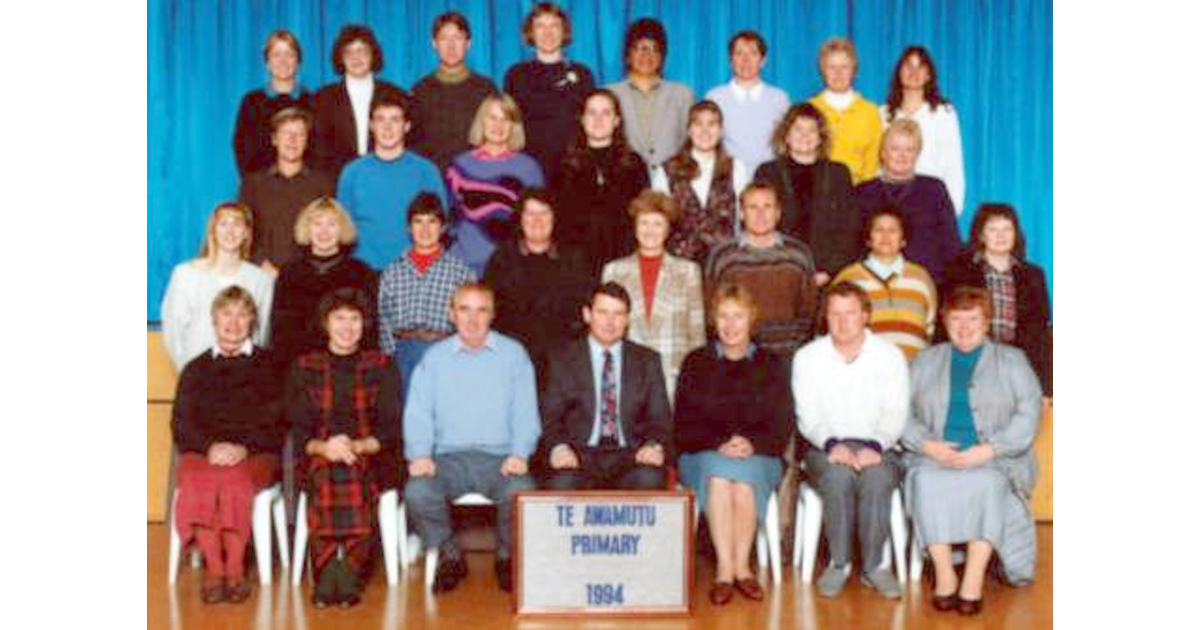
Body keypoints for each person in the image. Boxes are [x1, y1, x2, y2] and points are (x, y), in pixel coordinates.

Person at [901, 287, 1042, 615]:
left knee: (988, 484)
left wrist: (991, 449)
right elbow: (900, 414)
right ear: (944, 322)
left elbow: (1029, 413)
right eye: (956, 320)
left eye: (973, 320)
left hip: (993, 459)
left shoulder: (1013, 360)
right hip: (935, 456)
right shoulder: (924, 360)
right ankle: (946, 574)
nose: (965, 328)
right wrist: (927, 444)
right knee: (924, 481)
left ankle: (974, 577)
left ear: (987, 322)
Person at [404, 284, 541, 594]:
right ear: (452, 314)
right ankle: (449, 554)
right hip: (446, 459)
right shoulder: (434, 358)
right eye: (464, 309)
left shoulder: (514, 355)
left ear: (492, 315)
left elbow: (526, 412)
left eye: (481, 310)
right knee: (418, 492)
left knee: (522, 491)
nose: (472, 318)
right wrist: (420, 454)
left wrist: (520, 453)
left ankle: (506, 557)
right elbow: (418, 413)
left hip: (500, 459)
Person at [673, 284, 793, 605]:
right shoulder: (695, 362)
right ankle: (725, 570)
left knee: (741, 481)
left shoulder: (771, 364)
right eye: (723, 316)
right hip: (702, 453)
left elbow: (782, 422)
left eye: (738, 316)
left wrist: (752, 444)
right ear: (714, 320)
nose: (730, 324)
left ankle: (742, 567)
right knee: (718, 473)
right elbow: (682, 424)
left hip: (760, 454)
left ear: (751, 319)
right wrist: (718, 443)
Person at [792, 282, 909, 599]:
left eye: (851, 313)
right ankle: (839, 563)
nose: (843, 322)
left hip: (879, 445)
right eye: (835, 314)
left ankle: (874, 566)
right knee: (838, 475)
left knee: (876, 477)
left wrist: (876, 445)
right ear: (825, 317)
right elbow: (807, 415)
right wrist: (832, 445)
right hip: (825, 445)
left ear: (866, 316)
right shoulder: (807, 357)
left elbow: (896, 411)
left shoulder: (890, 356)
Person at [287, 287, 402, 607]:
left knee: (352, 475)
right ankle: (326, 570)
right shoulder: (305, 365)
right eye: (339, 318)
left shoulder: (381, 364)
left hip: (370, 452)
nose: (347, 326)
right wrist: (324, 448)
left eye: (355, 319)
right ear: (326, 323)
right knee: (327, 474)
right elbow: (298, 428)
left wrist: (358, 445)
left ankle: (349, 570)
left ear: (365, 324)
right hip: (319, 453)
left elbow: (391, 427)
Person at [172, 286, 284, 604]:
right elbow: (181, 422)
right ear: (214, 319)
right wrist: (210, 448)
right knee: (198, 479)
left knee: (233, 479)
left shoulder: (269, 366)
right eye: (226, 313)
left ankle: (234, 570)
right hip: (204, 452)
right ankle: (214, 569)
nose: (233, 322)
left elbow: (277, 419)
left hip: (254, 452)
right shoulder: (195, 369)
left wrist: (243, 448)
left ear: (252, 320)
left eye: (241, 314)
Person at [539, 282, 671, 491]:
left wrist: (653, 445)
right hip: (578, 456)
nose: (610, 321)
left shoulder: (648, 361)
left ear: (628, 319)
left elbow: (660, 418)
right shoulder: (561, 359)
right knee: (561, 483)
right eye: (602, 312)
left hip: (631, 456)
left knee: (650, 479)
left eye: (619, 314)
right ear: (587, 315)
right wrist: (559, 448)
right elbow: (550, 417)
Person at [601, 190, 705, 398]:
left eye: (658, 224)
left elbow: (697, 337)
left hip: (674, 384)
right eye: (644, 223)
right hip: (626, 383)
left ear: (668, 229)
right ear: (635, 227)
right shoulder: (614, 271)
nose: (650, 230)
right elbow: (604, 333)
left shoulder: (688, 272)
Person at [482, 188, 591, 386]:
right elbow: (489, 312)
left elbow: (583, 315)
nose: (537, 220)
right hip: (512, 361)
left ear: (555, 217)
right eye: (530, 213)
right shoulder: (502, 259)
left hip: (561, 365)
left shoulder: (573, 259)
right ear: (520, 218)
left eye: (544, 213)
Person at [942, 203, 1051, 397]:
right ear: (981, 235)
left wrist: (1046, 387)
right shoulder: (958, 271)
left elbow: (1040, 334)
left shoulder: (1033, 275)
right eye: (993, 229)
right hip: (970, 364)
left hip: (1020, 367)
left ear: (1016, 234)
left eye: (1007, 229)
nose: (1001, 236)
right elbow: (945, 325)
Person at [336, 90, 447, 271]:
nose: (387, 127)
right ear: (371, 125)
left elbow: (440, 225)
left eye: (395, 120)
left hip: (415, 271)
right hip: (364, 271)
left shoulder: (426, 172)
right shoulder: (352, 173)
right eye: (381, 120)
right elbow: (342, 230)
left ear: (407, 126)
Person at [704, 183, 818, 358]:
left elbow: (810, 309)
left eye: (767, 207)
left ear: (778, 213)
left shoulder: (799, 254)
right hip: (739, 355)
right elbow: (711, 309)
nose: (760, 214)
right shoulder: (723, 256)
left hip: (788, 355)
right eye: (753, 207)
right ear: (741, 213)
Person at [378, 194, 476, 393]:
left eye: (432, 221)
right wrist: (389, 358)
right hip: (403, 352)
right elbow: (384, 317)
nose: (425, 229)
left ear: (443, 227)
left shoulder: (461, 272)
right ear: (408, 227)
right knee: (406, 414)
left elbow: (470, 320)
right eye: (418, 222)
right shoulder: (393, 270)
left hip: (444, 349)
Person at [161, 202, 275, 371]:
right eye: (223, 224)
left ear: (246, 233)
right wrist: (187, 371)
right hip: (198, 372)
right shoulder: (185, 274)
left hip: (245, 375)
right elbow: (174, 332)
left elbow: (261, 333)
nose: (230, 231)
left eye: (237, 224)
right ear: (212, 231)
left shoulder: (261, 279)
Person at [754, 103, 859, 283]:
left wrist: (827, 271)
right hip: (778, 271)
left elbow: (849, 229)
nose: (805, 136)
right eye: (798, 130)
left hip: (826, 276)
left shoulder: (838, 174)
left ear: (821, 137)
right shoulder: (768, 173)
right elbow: (757, 223)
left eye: (812, 130)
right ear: (786, 136)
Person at [269, 197, 377, 368]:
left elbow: (369, 330)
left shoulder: (360, 273)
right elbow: (279, 331)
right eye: (317, 224)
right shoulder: (289, 273)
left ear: (342, 229)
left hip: (348, 366)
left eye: (331, 224)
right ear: (307, 228)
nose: (323, 231)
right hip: (298, 366)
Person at [553, 89, 650, 276]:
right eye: (592, 112)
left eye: (606, 113)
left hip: (623, 259)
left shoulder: (634, 164)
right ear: (582, 119)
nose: (598, 119)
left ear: (616, 121)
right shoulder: (563, 164)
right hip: (575, 262)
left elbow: (643, 215)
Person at [445, 94, 546, 274]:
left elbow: (538, 223)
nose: (498, 126)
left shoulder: (529, 168)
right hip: (463, 266)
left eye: (505, 119)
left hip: (512, 269)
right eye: (492, 118)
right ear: (481, 122)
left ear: (514, 126)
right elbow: (451, 221)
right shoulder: (459, 166)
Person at [855, 119, 960, 284]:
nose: (902, 155)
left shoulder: (934, 189)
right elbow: (855, 243)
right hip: (872, 282)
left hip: (927, 281)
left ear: (918, 153)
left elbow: (950, 244)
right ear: (882, 152)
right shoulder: (863, 192)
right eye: (895, 149)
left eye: (910, 149)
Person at [503, 2, 596, 182]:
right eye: (540, 26)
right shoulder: (516, 75)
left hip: (573, 170)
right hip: (527, 170)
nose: (548, 33)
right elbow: (509, 126)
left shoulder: (582, 74)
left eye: (554, 26)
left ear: (564, 32)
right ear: (531, 32)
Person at [831, 206, 937, 360]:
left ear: (903, 240)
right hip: (864, 371)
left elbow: (930, 328)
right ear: (868, 239)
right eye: (878, 230)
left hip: (914, 372)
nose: (885, 236)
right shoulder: (848, 278)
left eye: (892, 230)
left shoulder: (921, 278)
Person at [651, 100, 750, 263]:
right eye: (698, 124)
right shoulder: (667, 170)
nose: (705, 131)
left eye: (712, 124)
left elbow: (744, 216)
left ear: (721, 131)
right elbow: (658, 220)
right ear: (689, 130)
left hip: (725, 260)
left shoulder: (736, 168)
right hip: (680, 262)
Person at [239, 107, 335, 272]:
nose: (293, 139)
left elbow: (329, 232)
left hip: (309, 275)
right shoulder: (253, 184)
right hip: (261, 273)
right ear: (274, 139)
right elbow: (244, 229)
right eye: (286, 133)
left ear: (306, 141)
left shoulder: (323, 184)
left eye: (300, 134)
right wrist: (263, 265)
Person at [312, 24, 407, 179]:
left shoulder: (396, 95)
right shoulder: (322, 99)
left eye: (362, 51)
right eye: (348, 52)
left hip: (387, 177)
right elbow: (318, 151)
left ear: (373, 54)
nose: (355, 57)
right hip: (336, 182)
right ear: (340, 58)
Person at [409, 11, 498, 171]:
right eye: (444, 38)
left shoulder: (486, 89)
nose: (451, 45)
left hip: (477, 177)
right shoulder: (420, 90)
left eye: (457, 38)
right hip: (432, 180)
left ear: (468, 43)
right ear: (434, 44)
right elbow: (412, 144)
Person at [881, 46, 965, 216]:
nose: (914, 71)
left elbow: (953, 164)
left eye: (920, 66)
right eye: (908, 66)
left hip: (931, 203)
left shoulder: (944, 113)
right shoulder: (882, 114)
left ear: (928, 75)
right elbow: (878, 165)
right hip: (891, 204)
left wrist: (951, 210)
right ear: (899, 72)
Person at [606, 18, 695, 174]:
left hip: (672, 189)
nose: (647, 55)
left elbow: (691, 144)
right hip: (623, 187)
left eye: (654, 48)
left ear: (662, 57)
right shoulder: (609, 95)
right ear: (627, 54)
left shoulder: (682, 95)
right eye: (640, 48)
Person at [704, 30, 790, 174]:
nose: (746, 60)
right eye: (739, 53)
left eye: (753, 53)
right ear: (730, 60)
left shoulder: (780, 99)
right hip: (725, 178)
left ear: (763, 61)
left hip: (770, 178)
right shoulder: (714, 97)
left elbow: (787, 144)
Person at [233, 29, 314, 177]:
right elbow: (242, 150)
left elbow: (318, 150)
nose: (283, 61)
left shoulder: (312, 101)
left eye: (289, 54)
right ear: (267, 62)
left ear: (298, 61)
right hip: (261, 186)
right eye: (276, 55)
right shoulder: (251, 102)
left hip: (304, 186)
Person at [808, 38, 883, 184]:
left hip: (858, 193)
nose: (838, 73)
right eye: (831, 67)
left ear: (854, 70)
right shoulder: (809, 109)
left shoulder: (870, 112)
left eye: (844, 67)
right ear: (822, 71)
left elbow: (872, 163)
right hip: (815, 191)